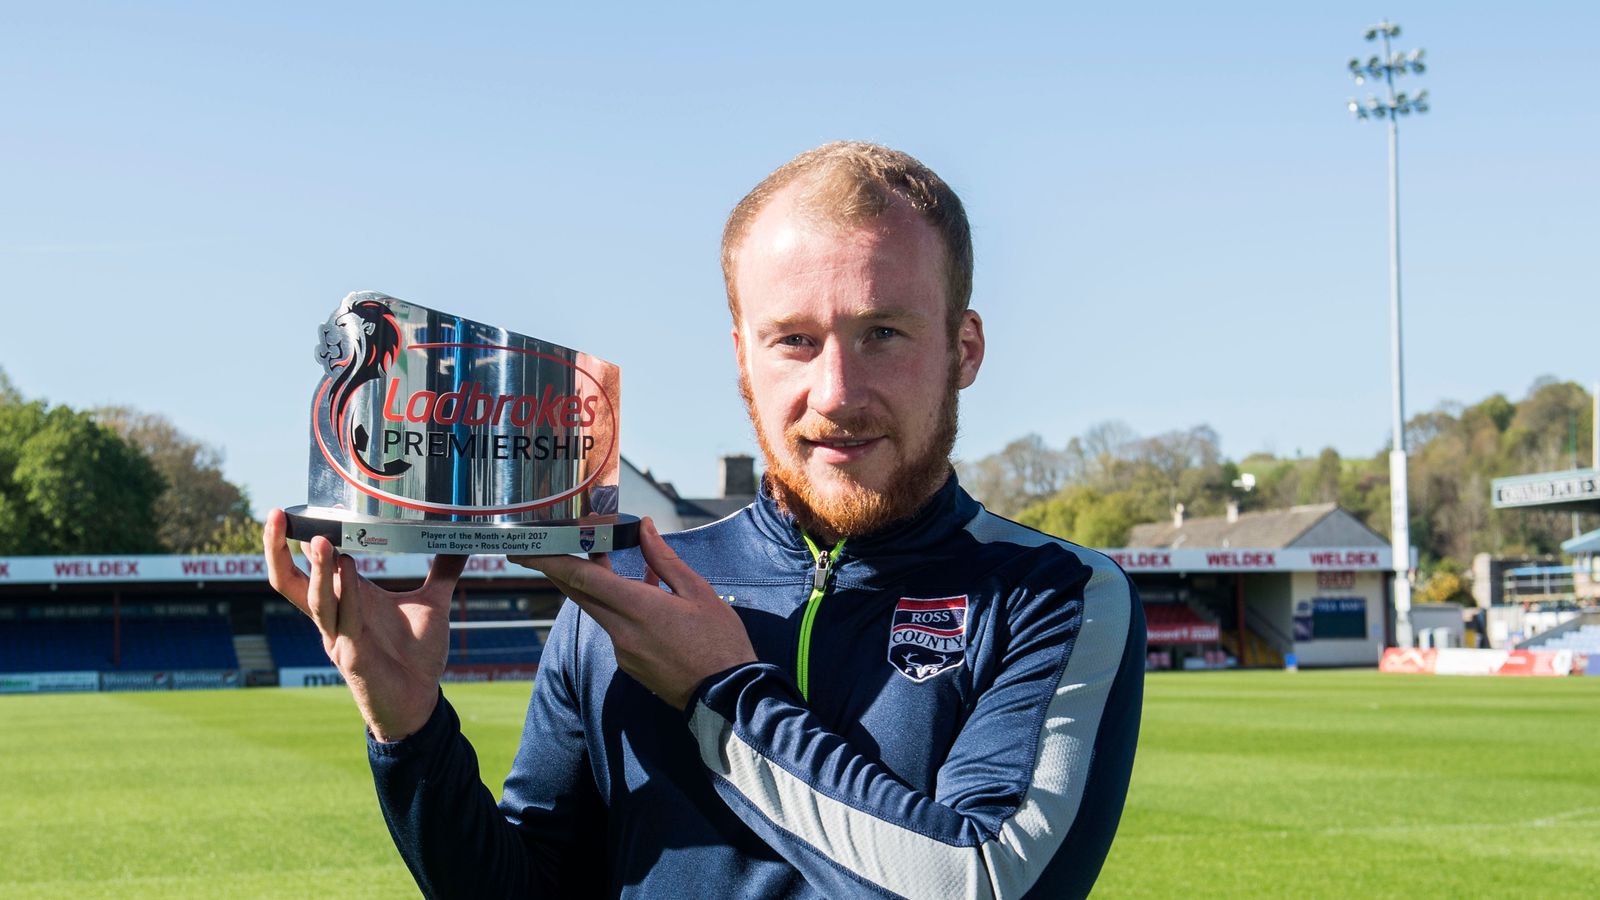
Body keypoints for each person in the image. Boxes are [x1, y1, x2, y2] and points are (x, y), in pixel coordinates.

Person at [264, 141, 1145, 899]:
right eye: (794, 339)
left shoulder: (1057, 597)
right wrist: (411, 729)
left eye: (883, 332)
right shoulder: (618, 599)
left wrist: (720, 693)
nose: (835, 393)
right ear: (741, 358)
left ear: (965, 348)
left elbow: (982, 880)